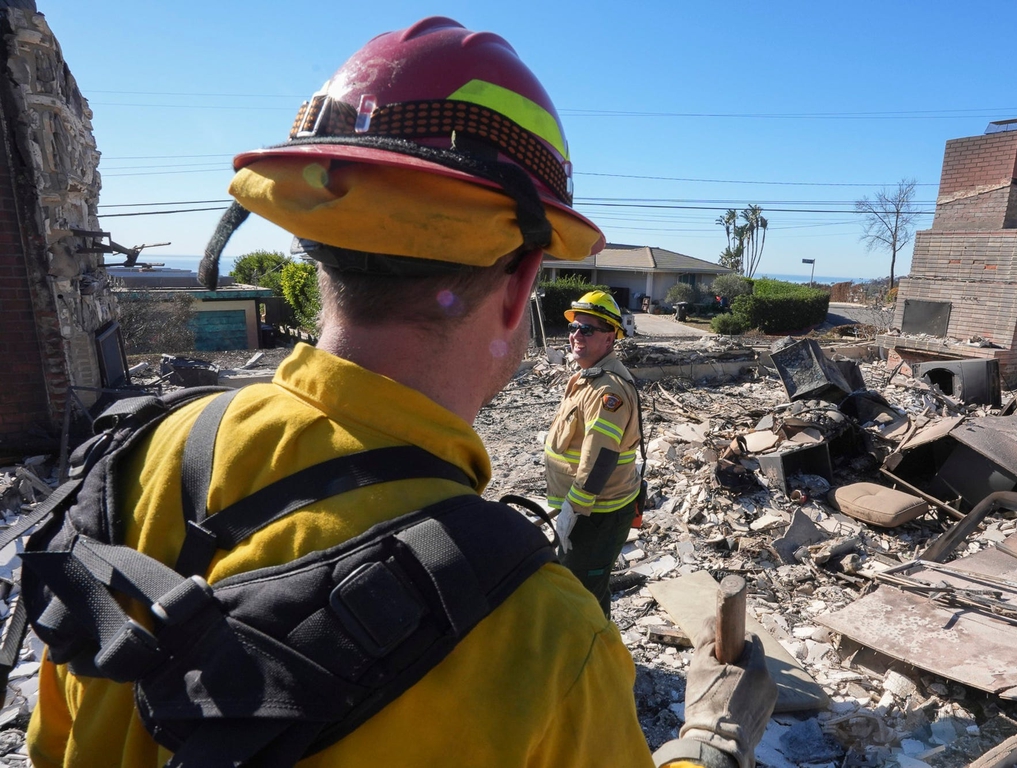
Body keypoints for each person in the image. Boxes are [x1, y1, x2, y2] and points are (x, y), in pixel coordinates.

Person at [27, 17, 775, 768]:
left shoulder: (140, 455)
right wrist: (715, 740)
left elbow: (53, 742)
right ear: (521, 285)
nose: (575, 336)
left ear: (316, 244)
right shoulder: (547, 639)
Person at [546, 290, 642, 617]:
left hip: (596, 514)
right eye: (574, 327)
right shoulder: (587, 378)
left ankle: (595, 645)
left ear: (610, 337)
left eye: (587, 329)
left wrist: (573, 509)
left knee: (583, 595)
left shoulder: (607, 389)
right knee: (580, 589)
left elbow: (600, 458)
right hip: (587, 511)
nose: (576, 335)